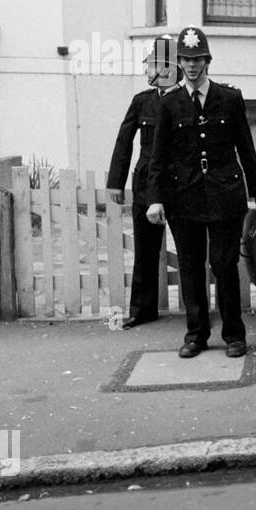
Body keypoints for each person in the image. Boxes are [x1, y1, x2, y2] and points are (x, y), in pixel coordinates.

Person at [146, 27, 256, 359]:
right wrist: (155, 198)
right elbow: (159, 156)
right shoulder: (169, 104)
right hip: (183, 197)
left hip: (225, 196)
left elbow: (246, 148)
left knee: (224, 264)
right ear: (179, 62)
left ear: (207, 61)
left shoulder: (229, 98)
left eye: (198, 59)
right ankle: (196, 334)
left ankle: (234, 335)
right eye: (186, 60)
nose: (192, 66)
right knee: (190, 265)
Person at [106, 33, 179, 329]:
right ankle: (142, 310)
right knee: (145, 251)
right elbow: (124, 141)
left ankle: (197, 312)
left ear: (165, 66)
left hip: (179, 183)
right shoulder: (141, 101)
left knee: (189, 251)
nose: (146, 70)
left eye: (150, 64)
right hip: (147, 184)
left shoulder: (184, 100)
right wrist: (116, 182)